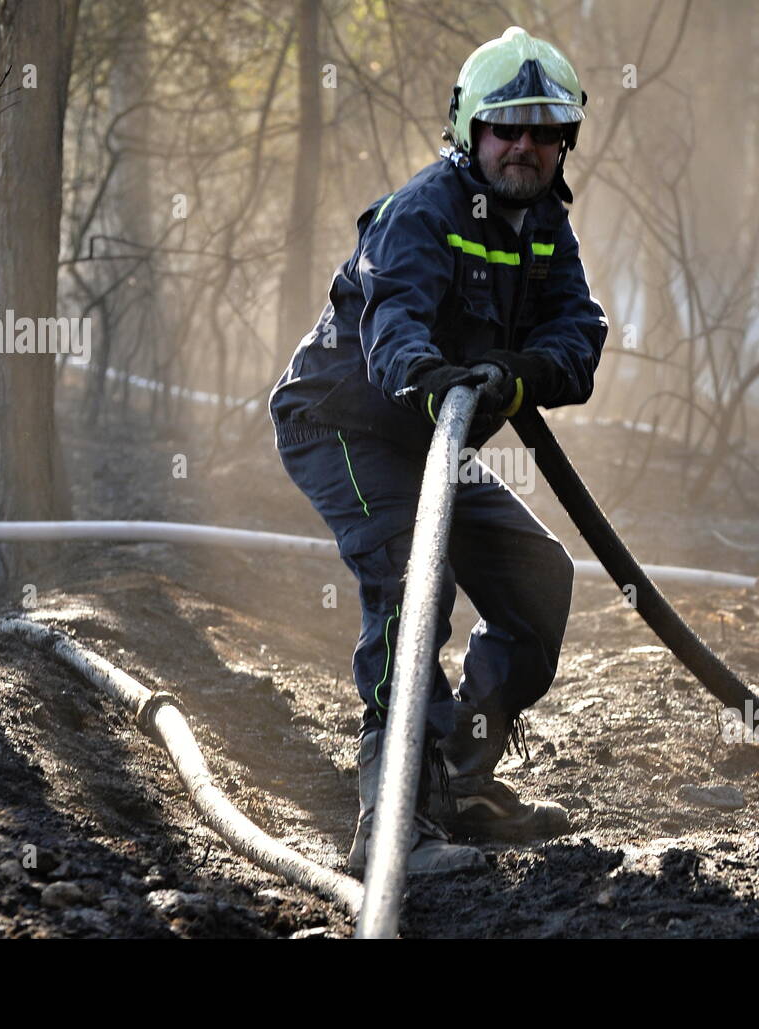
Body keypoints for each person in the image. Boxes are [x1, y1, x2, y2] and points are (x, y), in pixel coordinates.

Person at [268, 26, 608, 877]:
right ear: (470, 132)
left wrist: (521, 373)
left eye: (543, 131)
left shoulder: (544, 228)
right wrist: (440, 377)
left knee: (540, 581)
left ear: (563, 142)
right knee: (411, 585)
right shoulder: (422, 213)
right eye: (507, 128)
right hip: (342, 424)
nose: (524, 146)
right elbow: (394, 330)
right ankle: (392, 824)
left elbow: (579, 332)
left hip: (427, 441)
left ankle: (458, 776)